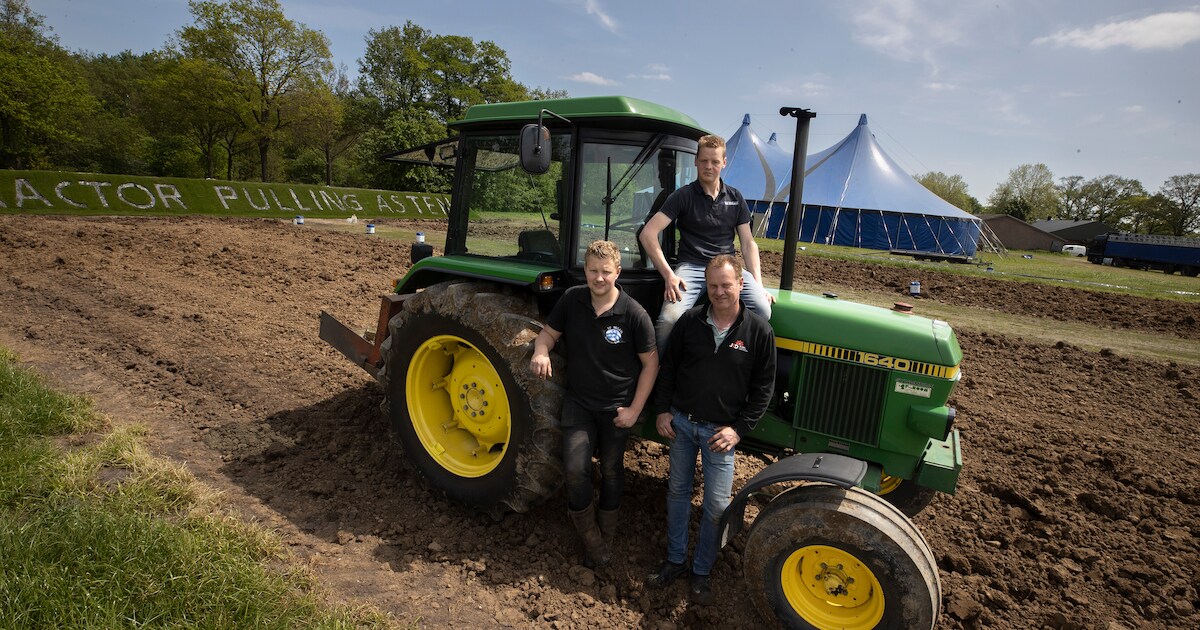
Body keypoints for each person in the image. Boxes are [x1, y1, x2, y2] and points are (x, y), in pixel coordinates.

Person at [646, 254, 776, 605]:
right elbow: (669, 369)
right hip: (683, 425)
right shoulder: (689, 322)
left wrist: (738, 430)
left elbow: (764, 388)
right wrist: (662, 411)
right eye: (713, 285)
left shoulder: (758, 331)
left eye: (726, 285)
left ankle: (701, 570)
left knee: (717, 506)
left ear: (741, 285)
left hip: (721, 435)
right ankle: (674, 560)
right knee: (677, 493)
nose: (719, 292)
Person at [530, 240, 658, 568]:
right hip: (580, 404)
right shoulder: (572, 300)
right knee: (575, 469)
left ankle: (607, 533)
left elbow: (651, 364)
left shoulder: (633, 314)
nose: (598, 278)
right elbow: (546, 335)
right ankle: (592, 540)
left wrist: (634, 410)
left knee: (613, 472)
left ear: (617, 272)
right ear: (585, 270)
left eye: (605, 272)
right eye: (592, 271)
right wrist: (541, 351)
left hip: (616, 409)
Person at [638, 134, 775, 347]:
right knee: (669, 320)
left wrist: (758, 284)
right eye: (704, 161)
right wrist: (669, 275)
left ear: (724, 163)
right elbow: (648, 234)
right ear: (696, 161)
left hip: (727, 267)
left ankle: (727, 354)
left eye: (715, 162)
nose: (708, 166)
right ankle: (661, 376)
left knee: (763, 309)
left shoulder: (735, 197)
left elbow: (748, 243)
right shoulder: (682, 196)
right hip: (692, 267)